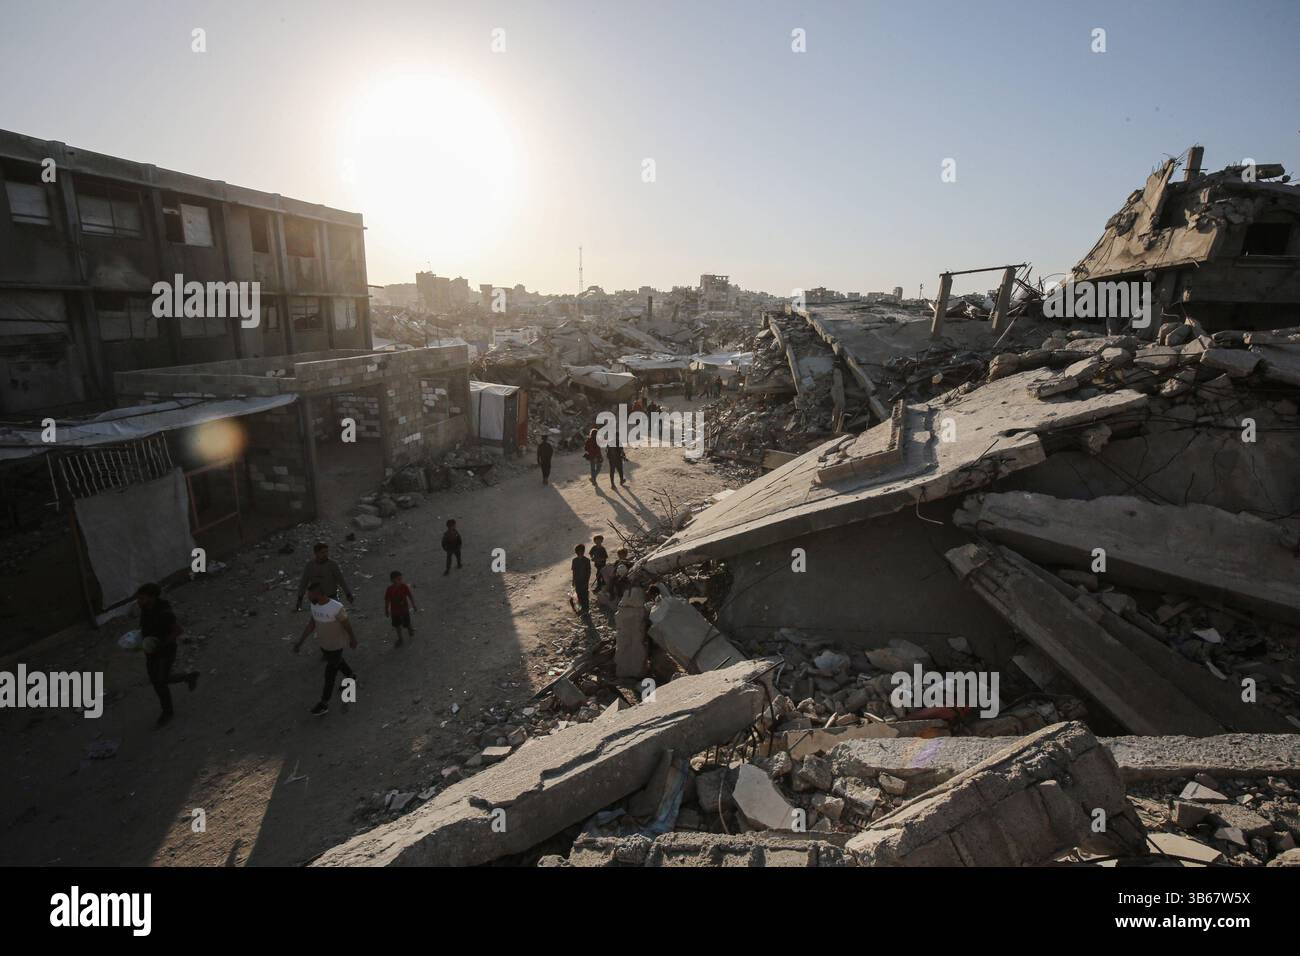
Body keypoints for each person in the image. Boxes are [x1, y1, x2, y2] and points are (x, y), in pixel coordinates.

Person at [135, 583, 198, 728]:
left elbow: (177, 631)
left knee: (160, 681)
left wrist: (160, 644)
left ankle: (167, 712)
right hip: (151, 651)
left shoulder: (164, 612)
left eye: (142, 598)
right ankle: (188, 677)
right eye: (138, 599)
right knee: (156, 679)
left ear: (152, 597)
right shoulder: (145, 609)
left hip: (165, 651)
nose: (139, 602)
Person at [293, 582, 357, 716]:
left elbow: (346, 624)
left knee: (330, 674)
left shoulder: (336, 607)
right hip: (324, 644)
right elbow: (312, 624)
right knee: (337, 662)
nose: (308, 598)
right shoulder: (314, 605)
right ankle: (351, 676)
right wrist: (300, 642)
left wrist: (352, 638)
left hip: (336, 644)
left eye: (310, 595)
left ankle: (324, 703)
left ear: (319, 594)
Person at [295, 542, 353, 610]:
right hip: (317, 599)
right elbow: (304, 583)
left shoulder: (332, 565)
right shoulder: (310, 566)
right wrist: (300, 598)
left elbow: (341, 580)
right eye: (322, 552)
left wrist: (348, 594)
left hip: (331, 597)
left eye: (326, 552)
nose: (326, 554)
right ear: (316, 553)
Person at [384, 571, 417, 646]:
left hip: (404, 610)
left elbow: (410, 595)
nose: (400, 581)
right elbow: (387, 601)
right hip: (395, 612)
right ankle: (400, 638)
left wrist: (414, 605)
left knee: (407, 622)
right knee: (397, 625)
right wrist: (386, 610)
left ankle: (410, 630)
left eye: (401, 579)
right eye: (398, 579)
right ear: (392, 580)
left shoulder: (404, 586)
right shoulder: (389, 589)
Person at [568, 544, 591, 615]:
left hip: (584, 580)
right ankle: (581, 609)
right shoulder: (574, 561)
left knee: (585, 595)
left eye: (582, 551)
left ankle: (586, 609)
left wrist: (587, 580)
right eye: (579, 551)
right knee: (579, 594)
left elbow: (588, 572)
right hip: (577, 581)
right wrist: (573, 581)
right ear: (576, 552)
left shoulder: (587, 560)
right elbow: (574, 572)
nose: (580, 552)